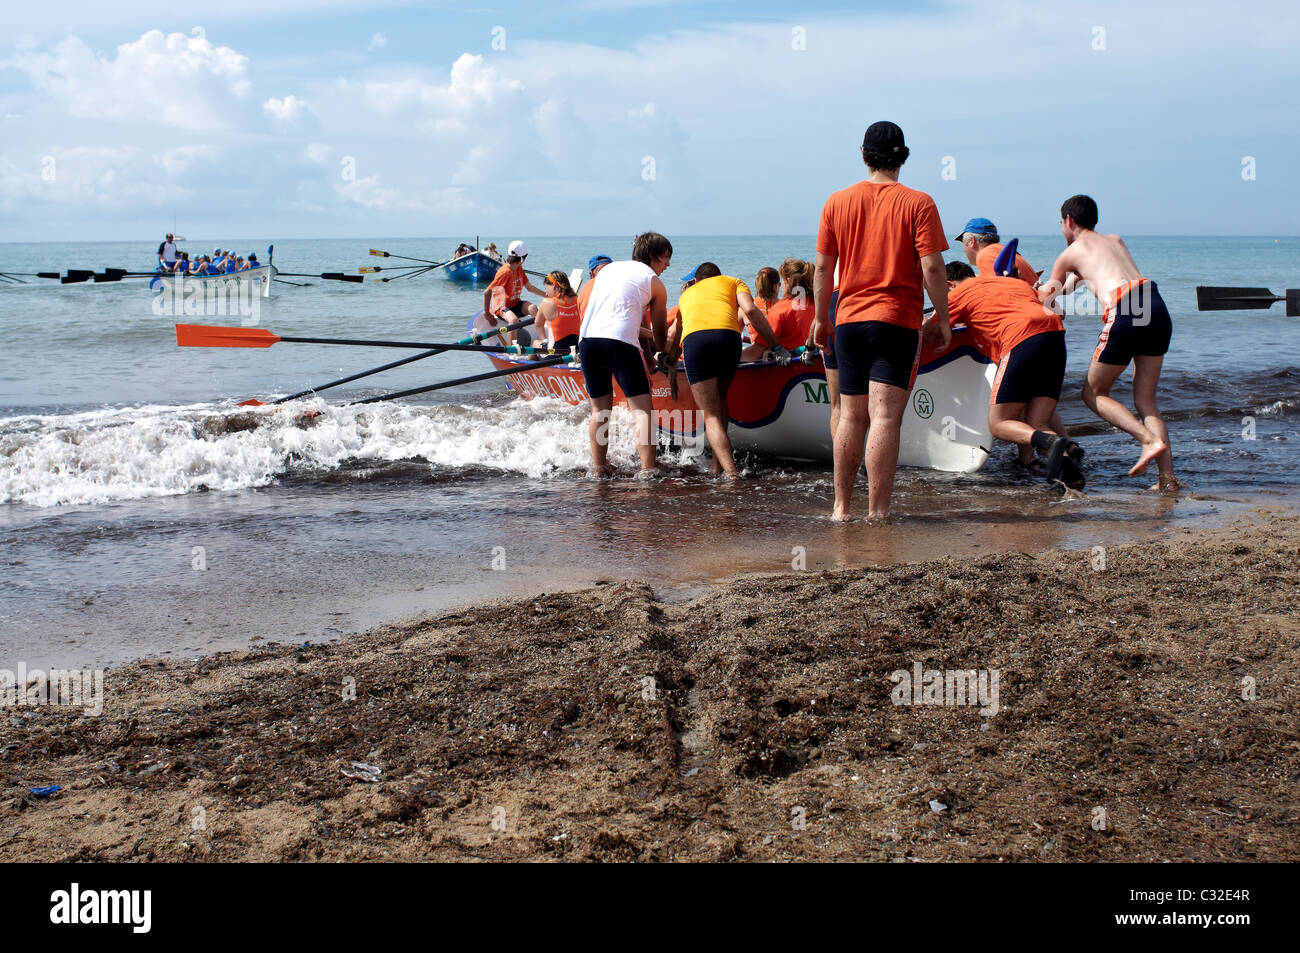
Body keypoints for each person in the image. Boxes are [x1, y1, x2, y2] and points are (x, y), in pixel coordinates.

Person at [811, 120, 951, 521]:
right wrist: (942, 317)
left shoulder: (836, 202)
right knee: (885, 417)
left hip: (849, 319)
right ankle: (878, 511)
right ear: (903, 156)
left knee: (851, 416)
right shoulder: (918, 202)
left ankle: (839, 510)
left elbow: (823, 269)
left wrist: (821, 318)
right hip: (896, 320)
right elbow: (934, 268)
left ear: (863, 154)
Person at [1039, 194, 1176, 490]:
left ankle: (1148, 441)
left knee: (1093, 393)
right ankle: (1168, 480)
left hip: (1125, 309)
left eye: (1061, 223)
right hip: (1154, 303)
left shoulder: (1069, 253)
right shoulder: (1114, 240)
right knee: (1146, 400)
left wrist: (1034, 288)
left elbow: (1050, 298)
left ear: (1069, 220)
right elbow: (1081, 279)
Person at [946, 262, 1084, 488]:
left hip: (1021, 339)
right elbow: (1057, 310)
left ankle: (1050, 442)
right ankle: (1071, 480)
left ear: (949, 285)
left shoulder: (958, 294)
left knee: (999, 424)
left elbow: (930, 330)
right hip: (1054, 336)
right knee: (1037, 423)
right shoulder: (1011, 282)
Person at [665, 262, 789, 478]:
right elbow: (750, 310)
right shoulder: (733, 281)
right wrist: (776, 346)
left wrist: (669, 361)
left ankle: (731, 475)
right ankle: (717, 468)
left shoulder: (687, 294)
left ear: (696, 280)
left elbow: (677, 335)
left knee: (711, 415)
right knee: (720, 399)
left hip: (698, 342)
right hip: (729, 340)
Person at [578, 232, 673, 476]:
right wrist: (665, 350)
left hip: (587, 340)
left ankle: (599, 468)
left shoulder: (608, 270)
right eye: (665, 258)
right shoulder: (655, 283)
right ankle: (648, 470)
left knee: (599, 409)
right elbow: (660, 334)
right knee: (642, 410)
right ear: (652, 256)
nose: (668, 264)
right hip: (619, 342)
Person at [742, 258, 815, 361]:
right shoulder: (817, 304)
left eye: (783, 281)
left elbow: (758, 350)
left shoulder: (781, 309)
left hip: (786, 368)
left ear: (788, 281)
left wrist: (732, 358)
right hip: (812, 363)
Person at [482, 240, 545, 343]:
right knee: (513, 320)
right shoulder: (504, 272)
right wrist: (488, 315)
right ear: (522, 258)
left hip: (515, 304)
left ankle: (543, 340)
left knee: (533, 308)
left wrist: (547, 296)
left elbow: (530, 288)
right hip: (501, 307)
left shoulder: (519, 268)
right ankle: (512, 350)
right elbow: (487, 292)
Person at [955, 218, 1038, 285]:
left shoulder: (986, 255)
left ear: (972, 242)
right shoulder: (1005, 252)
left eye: (963, 242)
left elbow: (998, 290)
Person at [535, 270, 582, 353]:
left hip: (554, 352)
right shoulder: (577, 299)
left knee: (536, 343)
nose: (546, 292)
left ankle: (534, 364)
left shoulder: (547, 302)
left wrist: (544, 340)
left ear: (554, 286)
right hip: (576, 351)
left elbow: (538, 324)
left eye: (546, 288)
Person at [745, 266, 780, 341]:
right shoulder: (786, 306)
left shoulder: (747, 306)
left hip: (756, 350)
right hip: (781, 351)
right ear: (776, 286)